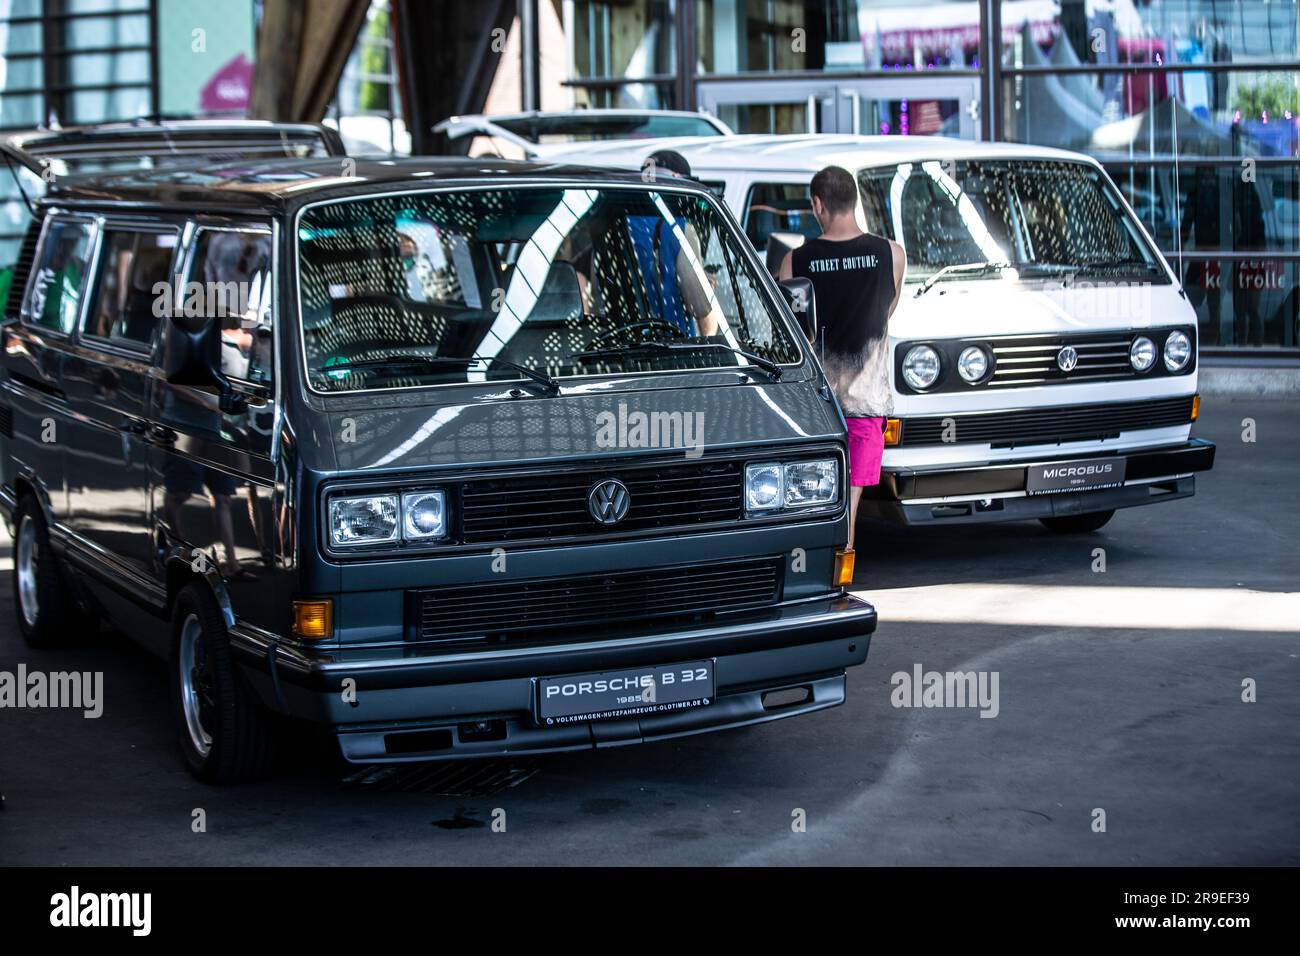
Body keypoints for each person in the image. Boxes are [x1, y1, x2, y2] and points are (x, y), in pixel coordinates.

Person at [778, 165, 905, 551]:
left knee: (811, 497)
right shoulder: (892, 254)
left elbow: (792, 332)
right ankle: (843, 574)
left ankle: (817, 577)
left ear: (818, 205)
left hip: (817, 404)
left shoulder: (794, 262)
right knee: (849, 502)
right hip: (866, 402)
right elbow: (888, 312)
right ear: (855, 201)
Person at [628, 149, 723, 337]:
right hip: (670, 348)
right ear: (677, 181)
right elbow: (701, 306)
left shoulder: (615, 222)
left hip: (615, 347)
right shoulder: (679, 229)